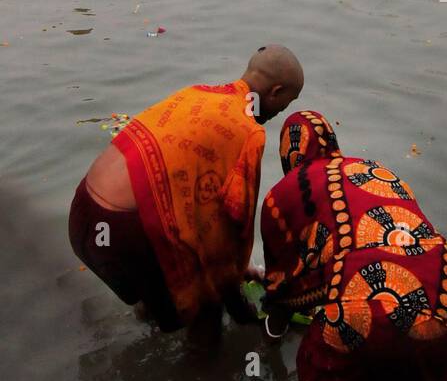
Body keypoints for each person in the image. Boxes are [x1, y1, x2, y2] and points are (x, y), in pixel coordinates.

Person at [258, 111, 447, 381]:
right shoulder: (375, 169)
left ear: (289, 153)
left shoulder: (284, 194)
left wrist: (271, 322)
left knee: (321, 376)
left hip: (365, 295)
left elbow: (283, 289)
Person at [68, 45, 304, 332]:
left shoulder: (195, 93)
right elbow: (230, 230)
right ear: (275, 92)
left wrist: (236, 271)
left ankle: (156, 319)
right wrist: (237, 297)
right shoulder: (249, 132)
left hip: (83, 218)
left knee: (161, 304)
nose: (281, 111)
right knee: (206, 316)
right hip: (122, 235)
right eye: (287, 104)